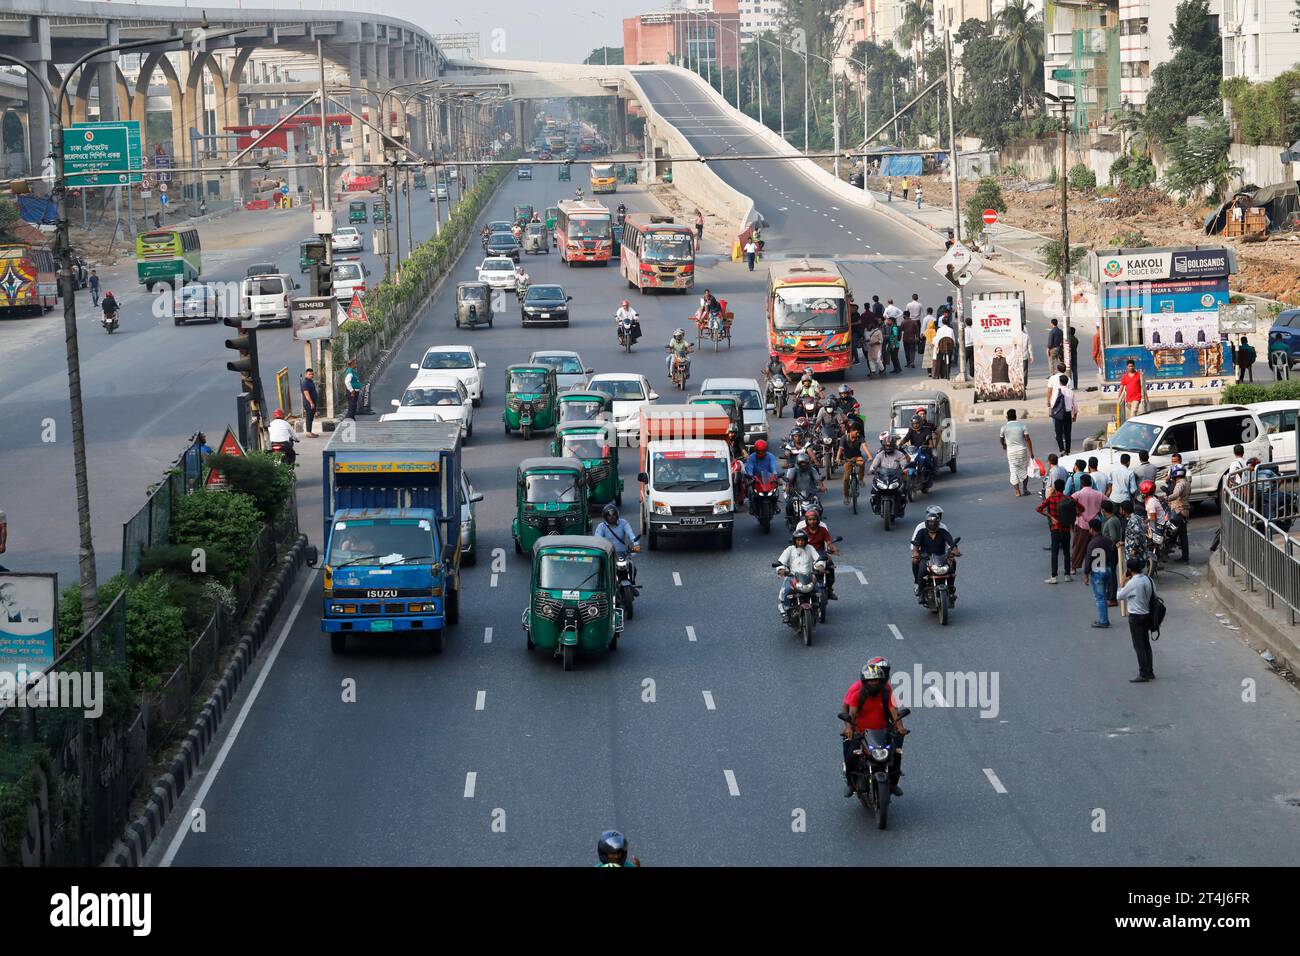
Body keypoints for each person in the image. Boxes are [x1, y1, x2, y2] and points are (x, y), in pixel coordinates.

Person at [841, 659, 908, 798]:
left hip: (883, 732)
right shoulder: (856, 693)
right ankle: (850, 784)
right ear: (865, 681)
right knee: (850, 758)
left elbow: (894, 710)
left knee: (896, 754)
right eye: (871, 681)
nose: (874, 683)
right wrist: (849, 728)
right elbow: (851, 714)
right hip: (861, 734)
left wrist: (900, 727)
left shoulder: (887, 692)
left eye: (877, 680)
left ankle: (894, 783)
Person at [1116, 557, 1157, 682]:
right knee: (1146, 644)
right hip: (1147, 615)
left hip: (1136, 617)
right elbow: (1154, 593)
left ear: (1129, 570)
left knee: (1138, 646)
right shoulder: (1148, 579)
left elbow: (1119, 596)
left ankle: (1143, 673)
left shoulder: (1133, 583)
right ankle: (1150, 671)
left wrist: (1122, 582)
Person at [911, 505, 959, 598]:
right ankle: (919, 590)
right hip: (926, 557)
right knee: (921, 570)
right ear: (927, 522)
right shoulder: (921, 530)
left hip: (941, 556)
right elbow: (915, 544)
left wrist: (954, 550)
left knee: (952, 568)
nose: (932, 524)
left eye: (935, 522)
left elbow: (950, 542)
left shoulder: (942, 530)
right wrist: (916, 553)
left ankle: (951, 588)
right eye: (930, 522)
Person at [776, 527, 822, 622]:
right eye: (798, 540)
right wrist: (781, 569)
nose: (800, 543)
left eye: (802, 540)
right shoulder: (790, 549)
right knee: (787, 590)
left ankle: (816, 608)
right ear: (795, 541)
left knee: (817, 588)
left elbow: (818, 559)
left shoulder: (810, 548)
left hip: (808, 576)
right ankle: (786, 611)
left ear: (806, 541)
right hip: (793, 576)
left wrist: (820, 565)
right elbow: (781, 561)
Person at [795, 508, 838, 599]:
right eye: (810, 520)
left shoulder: (823, 530)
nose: (812, 522)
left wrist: (833, 549)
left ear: (817, 520)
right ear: (807, 521)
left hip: (820, 554)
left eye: (814, 519)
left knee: (830, 566)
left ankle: (830, 589)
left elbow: (829, 542)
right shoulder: (803, 531)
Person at [1069, 474, 1108, 576]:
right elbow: (1108, 502)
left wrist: (1076, 512)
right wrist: (1100, 511)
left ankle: (1074, 567)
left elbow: (1068, 503)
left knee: (1078, 546)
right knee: (1096, 546)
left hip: (1082, 523)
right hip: (1095, 524)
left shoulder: (1077, 495)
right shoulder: (1099, 494)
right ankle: (1096, 566)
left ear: (1082, 484)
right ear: (1091, 483)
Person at [1037, 478, 1072, 583]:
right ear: (1064, 487)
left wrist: (1050, 516)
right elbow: (1081, 509)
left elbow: (1039, 509)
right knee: (1066, 552)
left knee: (1055, 553)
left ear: (1055, 488)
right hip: (1066, 528)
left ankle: (1054, 577)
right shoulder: (1069, 499)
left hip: (1055, 529)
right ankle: (1067, 575)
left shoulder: (1050, 499)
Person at [1085, 517, 1117, 628]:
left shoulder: (1092, 543)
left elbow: (1089, 560)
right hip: (1108, 569)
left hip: (1097, 571)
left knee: (1100, 598)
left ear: (1092, 529)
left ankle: (1103, 621)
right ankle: (1104, 619)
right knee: (1105, 596)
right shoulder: (1107, 541)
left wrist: (1086, 574)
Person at [999, 409, 1034, 496]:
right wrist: (1031, 452)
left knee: (1013, 470)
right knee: (1025, 470)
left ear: (1007, 417)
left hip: (1011, 453)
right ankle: (1025, 489)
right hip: (1022, 451)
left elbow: (1001, 438)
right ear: (1015, 416)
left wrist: (1004, 445)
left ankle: (1017, 491)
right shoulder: (1022, 425)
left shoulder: (1004, 427)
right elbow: (1027, 439)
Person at [783, 452, 825, 519]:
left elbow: (818, 479)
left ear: (808, 462)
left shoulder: (812, 469)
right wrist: (788, 488)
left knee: (819, 507)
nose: (803, 465)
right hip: (796, 492)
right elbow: (789, 480)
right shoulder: (794, 470)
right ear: (798, 463)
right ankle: (790, 521)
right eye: (801, 463)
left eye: (805, 462)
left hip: (810, 492)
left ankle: (818, 520)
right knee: (789, 506)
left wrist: (822, 487)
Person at [1048, 373, 1078, 454]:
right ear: (1067, 382)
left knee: (1058, 433)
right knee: (1068, 433)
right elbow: (1075, 406)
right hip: (1068, 414)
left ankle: (1061, 449)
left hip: (1058, 414)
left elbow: (1053, 403)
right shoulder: (1071, 392)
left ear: (1060, 382)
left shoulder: (1057, 392)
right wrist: (1075, 415)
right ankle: (1068, 451)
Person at [838, 422, 868, 503]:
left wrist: (869, 456)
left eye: (859, 432)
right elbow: (840, 449)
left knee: (862, 463)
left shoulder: (860, 437)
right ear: (851, 431)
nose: (858, 434)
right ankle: (846, 496)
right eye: (856, 432)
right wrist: (838, 458)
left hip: (857, 457)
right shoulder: (844, 438)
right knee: (846, 479)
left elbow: (864, 446)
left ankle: (861, 480)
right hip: (847, 459)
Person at [1166, 464, 1190, 563]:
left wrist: (1166, 498)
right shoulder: (1187, 482)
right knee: (1181, 534)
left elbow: (1176, 494)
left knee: (1172, 532)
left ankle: (1183, 556)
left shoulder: (1180, 484)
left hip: (1179, 510)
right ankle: (1184, 556)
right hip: (1184, 510)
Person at [301, 368, 318, 437]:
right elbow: (306, 394)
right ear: (306, 375)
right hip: (308, 403)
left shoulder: (310, 382)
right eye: (309, 374)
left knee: (311, 418)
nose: (311, 375)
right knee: (309, 417)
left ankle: (310, 431)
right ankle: (308, 432)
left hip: (312, 403)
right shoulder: (305, 383)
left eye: (312, 374)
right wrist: (311, 403)